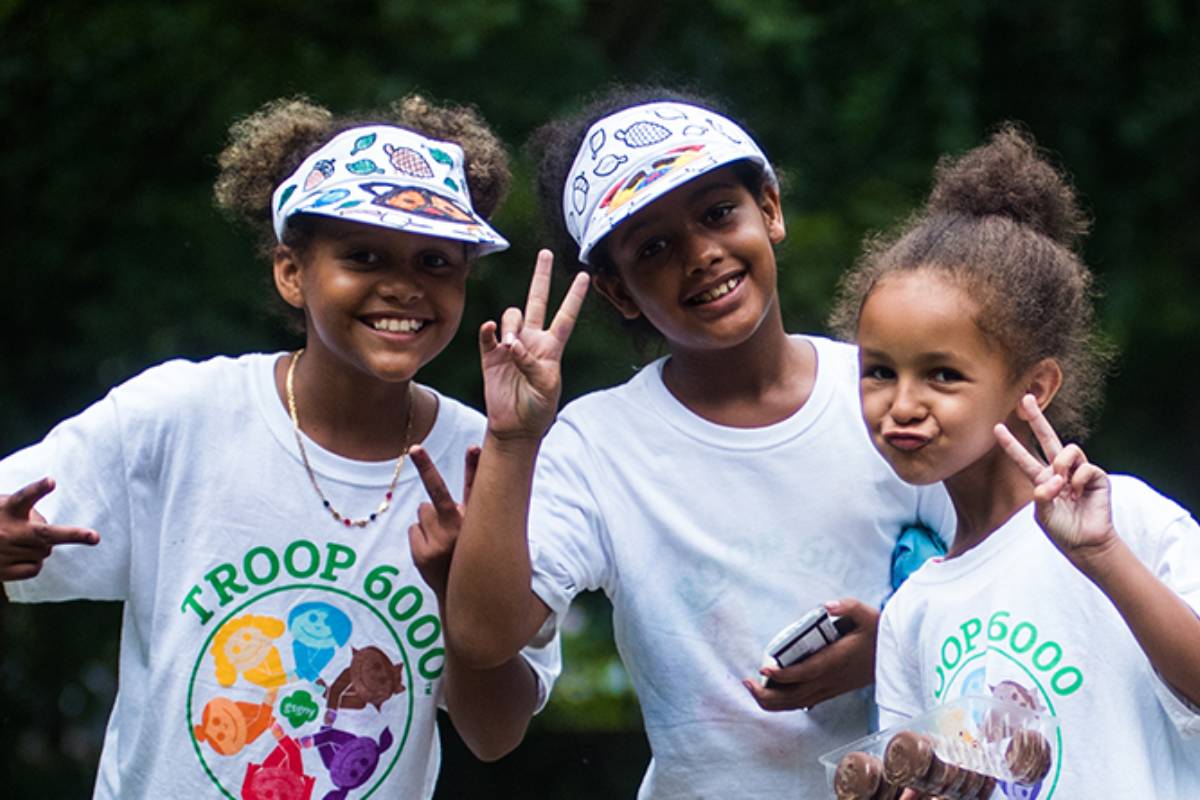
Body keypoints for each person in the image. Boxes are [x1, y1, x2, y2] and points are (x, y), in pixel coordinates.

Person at [0, 94, 559, 799]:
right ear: (291, 271)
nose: (404, 286)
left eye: (436, 262)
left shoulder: (491, 459)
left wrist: (459, 592)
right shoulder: (179, 416)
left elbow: (495, 732)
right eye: (363, 255)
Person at [439, 87, 954, 797]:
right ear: (619, 293)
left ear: (769, 209)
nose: (702, 254)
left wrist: (891, 649)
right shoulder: (598, 446)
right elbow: (484, 637)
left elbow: (1015, 579)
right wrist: (512, 437)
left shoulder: (887, 395)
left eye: (718, 214)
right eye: (654, 248)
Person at [831, 125, 1200, 797]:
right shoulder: (914, 610)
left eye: (942, 375)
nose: (902, 405)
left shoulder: (1122, 522)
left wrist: (1104, 557)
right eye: (879, 371)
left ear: (1032, 388)